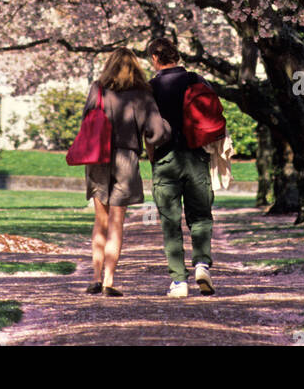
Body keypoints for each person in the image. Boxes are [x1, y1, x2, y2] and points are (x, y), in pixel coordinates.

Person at [83, 47, 171, 297]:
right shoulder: (142, 95)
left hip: (97, 157)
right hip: (126, 157)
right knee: (117, 221)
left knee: (100, 219)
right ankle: (110, 280)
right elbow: (156, 132)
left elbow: (86, 119)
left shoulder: (97, 88)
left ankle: (95, 277)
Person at [147, 35, 216, 298]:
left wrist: (153, 158)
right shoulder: (195, 80)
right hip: (196, 156)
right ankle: (201, 264)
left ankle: (179, 281)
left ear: (155, 58)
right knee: (200, 217)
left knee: (170, 221)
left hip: (165, 159)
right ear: (177, 55)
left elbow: (148, 129)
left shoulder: (150, 88)